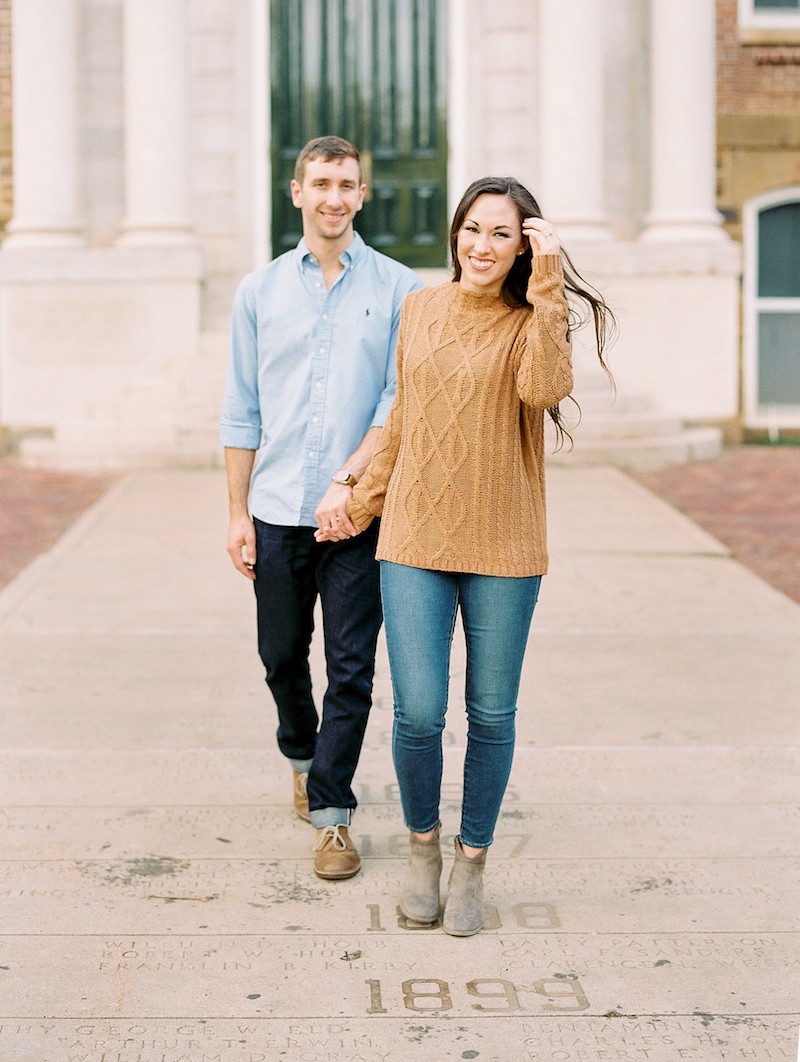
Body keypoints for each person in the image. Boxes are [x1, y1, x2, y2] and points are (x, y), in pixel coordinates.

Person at [315, 176, 614, 932]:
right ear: (457, 235)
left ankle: (471, 859)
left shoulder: (533, 320)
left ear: (524, 246)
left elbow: (544, 389)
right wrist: (361, 500)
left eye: (501, 235)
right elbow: (405, 421)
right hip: (415, 534)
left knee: (490, 712)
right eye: (472, 231)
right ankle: (423, 849)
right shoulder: (419, 308)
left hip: (505, 540)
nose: (481, 247)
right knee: (417, 712)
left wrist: (548, 283)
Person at [220, 136, 422, 881]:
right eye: (322, 183)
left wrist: (351, 479)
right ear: (297, 192)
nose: (335, 197)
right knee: (280, 657)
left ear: (362, 196)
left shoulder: (401, 288)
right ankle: (301, 756)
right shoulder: (258, 292)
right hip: (276, 509)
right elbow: (241, 410)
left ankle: (333, 815)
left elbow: (397, 400)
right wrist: (237, 513)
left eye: (347, 184)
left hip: (360, 515)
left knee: (351, 668)